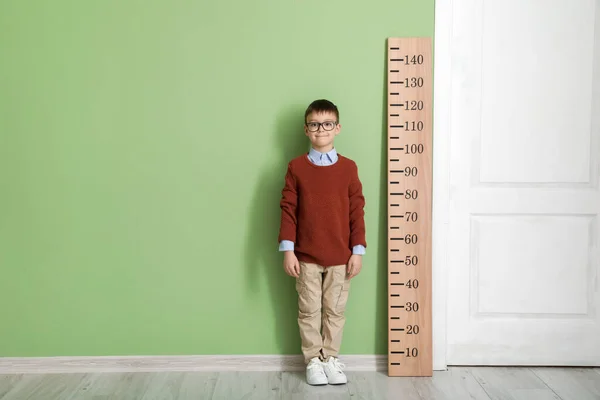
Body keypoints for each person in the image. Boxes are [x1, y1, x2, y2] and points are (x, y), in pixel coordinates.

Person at [277, 99, 367, 385]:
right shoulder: (296, 167)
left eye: (327, 124)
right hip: (306, 257)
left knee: (335, 311)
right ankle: (313, 361)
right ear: (306, 129)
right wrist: (288, 250)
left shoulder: (349, 168)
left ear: (337, 128)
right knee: (309, 310)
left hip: (342, 256)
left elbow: (357, 210)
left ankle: (330, 358)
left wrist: (358, 250)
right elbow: (288, 209)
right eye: (315, 124)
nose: (321, 130)